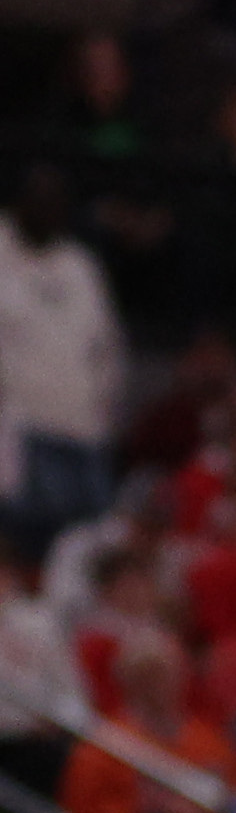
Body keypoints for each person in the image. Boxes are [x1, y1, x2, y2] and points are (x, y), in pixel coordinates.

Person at [0, 162, 126, 557]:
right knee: (30, 538)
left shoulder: (80, 265)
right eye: (39, 201)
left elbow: (108, 347)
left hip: (82, 429)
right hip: (19, 427)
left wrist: (104, 410)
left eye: (56, 204)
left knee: (95, 543)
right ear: (19, 204)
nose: (48, 211)